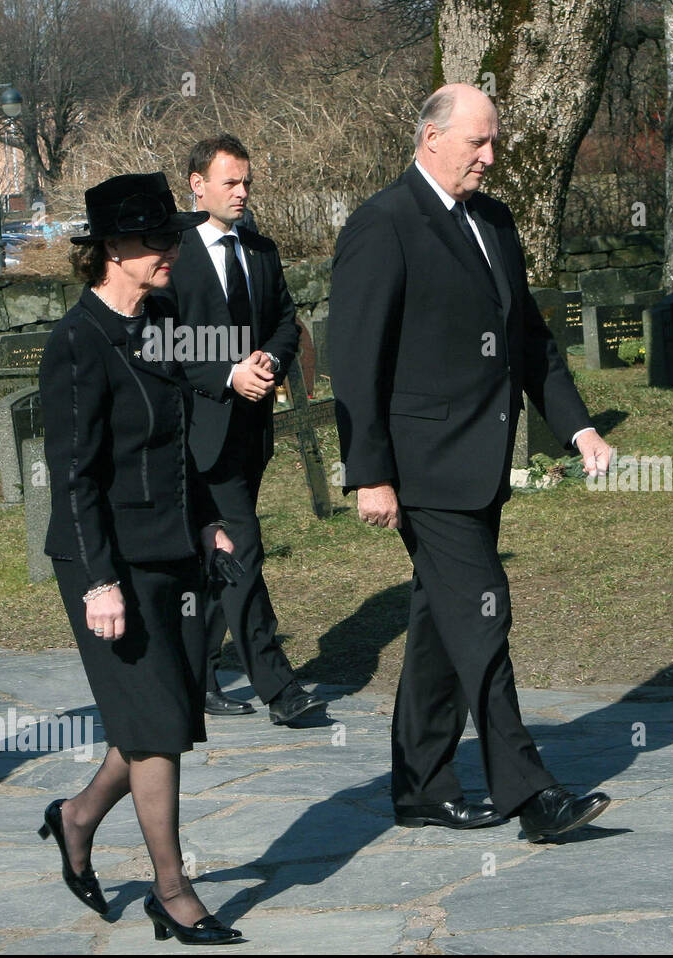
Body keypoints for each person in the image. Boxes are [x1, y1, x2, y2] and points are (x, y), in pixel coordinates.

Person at [329, 83, 613, 841]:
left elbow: (529, 341)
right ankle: (530, 793)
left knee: (442, 620)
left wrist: (578, 428)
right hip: (422, 469)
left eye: (494, 143)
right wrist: (369, 471)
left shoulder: (493, 220)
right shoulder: (382, 224)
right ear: (430, 137)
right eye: (477, 143)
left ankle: (421, 785)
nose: (490, 158)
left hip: (480, 463)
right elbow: (354, 362)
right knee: (485, 608)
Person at [38, 171, 245, 944]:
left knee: (160, 711)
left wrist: (207, 523)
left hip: (171, 547)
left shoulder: (161, 317)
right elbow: (73, 475)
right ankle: (172, 888)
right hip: (104, 560)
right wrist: (98, 581)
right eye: (158, 239)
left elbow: (176, 442)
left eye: (174, 236)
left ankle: (76, 816)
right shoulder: (74, 343)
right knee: (157, 726)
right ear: (112, 249)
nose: (173, 250)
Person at [152, 134, 324, 725]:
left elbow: (282, 319)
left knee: (218, 559)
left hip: (252, 432)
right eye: (231, 182)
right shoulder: (168, 254)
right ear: (197, 185)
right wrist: (227, 372)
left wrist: (268, 362)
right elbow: (160, 344)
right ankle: (279, 687)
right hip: (198, 433)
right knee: (242, 549)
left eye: (247, 181)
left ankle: (190, 678)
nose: (243, 192)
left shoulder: (261, 248)